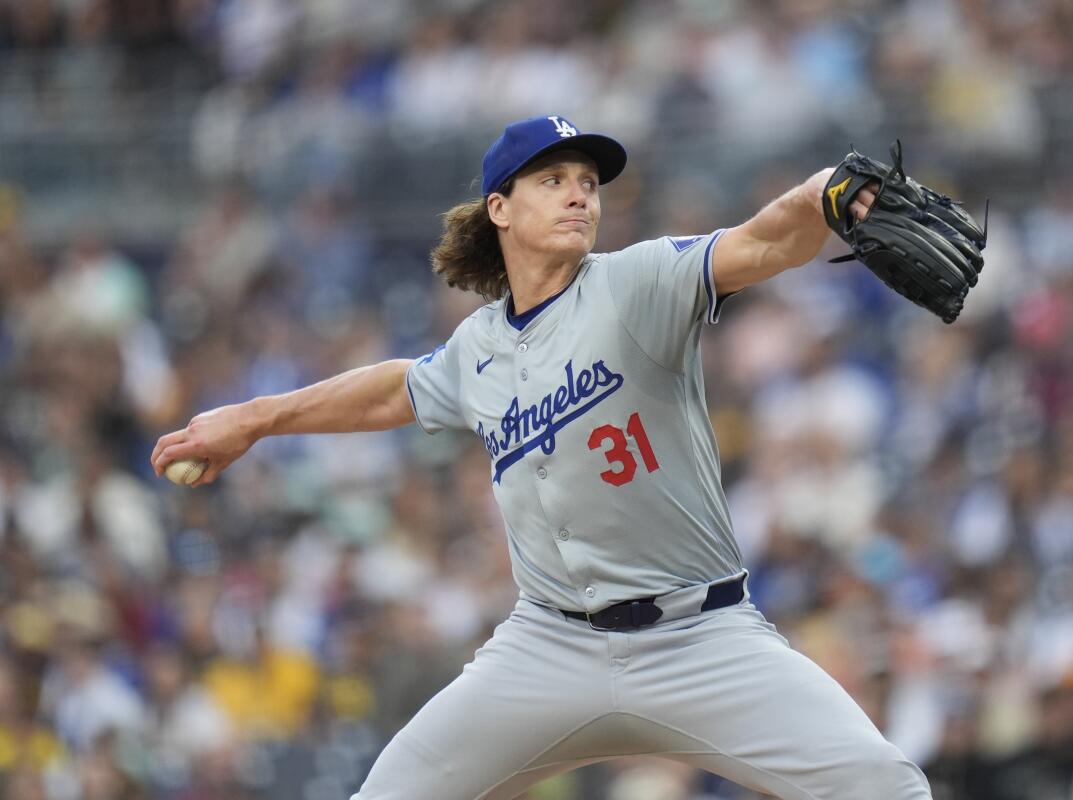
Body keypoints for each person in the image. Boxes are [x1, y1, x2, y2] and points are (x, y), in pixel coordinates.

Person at [151, 114, 931, 799]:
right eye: (552, 179)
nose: (579, 194)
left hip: (703, 637)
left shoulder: (638, 282)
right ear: (499, 209)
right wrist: (253, 419)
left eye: (588, 181)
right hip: (550, 647)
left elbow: (763, 243)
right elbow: (396, 390)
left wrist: (821, 194)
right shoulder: (479, 347)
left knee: (883, 785)